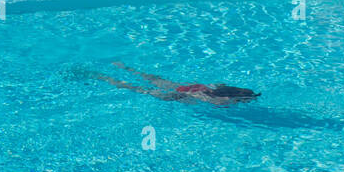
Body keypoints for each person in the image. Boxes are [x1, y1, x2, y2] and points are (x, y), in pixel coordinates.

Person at [98, 62, 259, 106]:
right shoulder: (222, 101)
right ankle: (107, 79)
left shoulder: (220, 89)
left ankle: (122, 66)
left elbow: (218, 83)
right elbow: (217, 103)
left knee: (151, 78)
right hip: (181, 95)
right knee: (141, 90)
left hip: (191, 87)